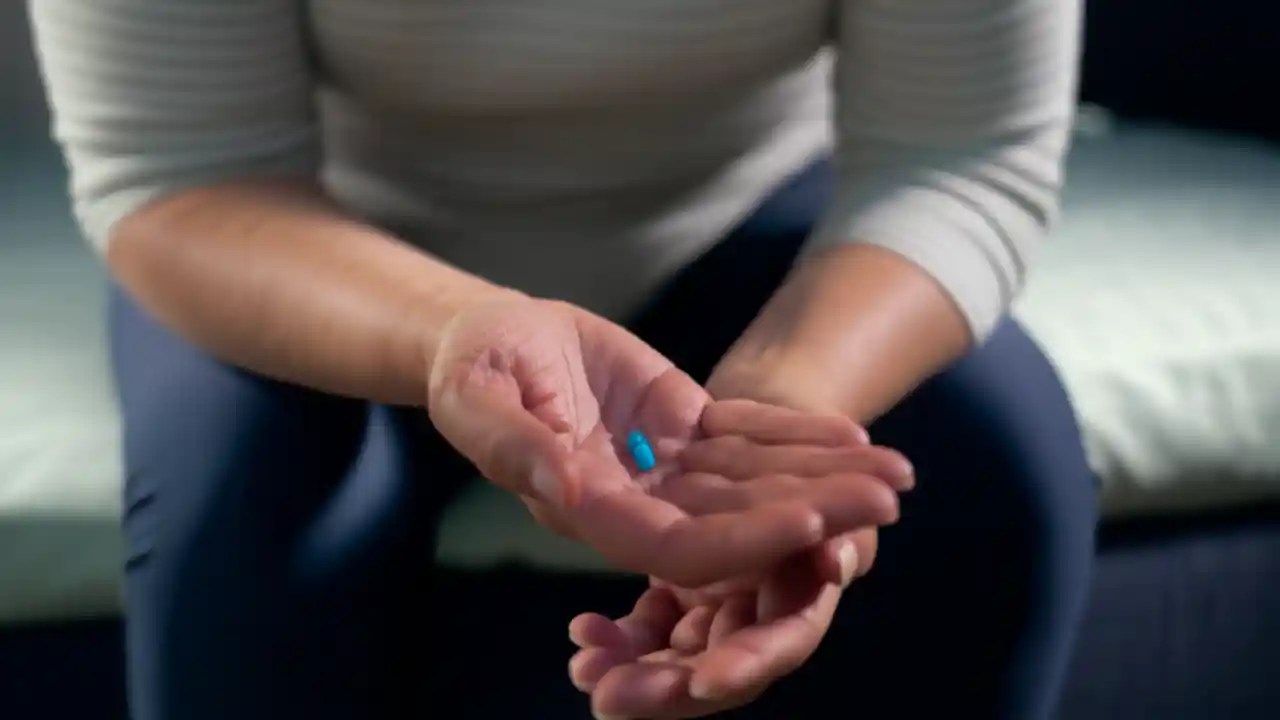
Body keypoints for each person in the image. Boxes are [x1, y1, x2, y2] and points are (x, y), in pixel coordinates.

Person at [29, 1, 1095, 718]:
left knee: (994, 473)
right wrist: (452, 331)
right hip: (314, 259)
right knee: (237, 514)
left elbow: (959, 149)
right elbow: (182, 171)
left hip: (742, 213)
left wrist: (786, 401)